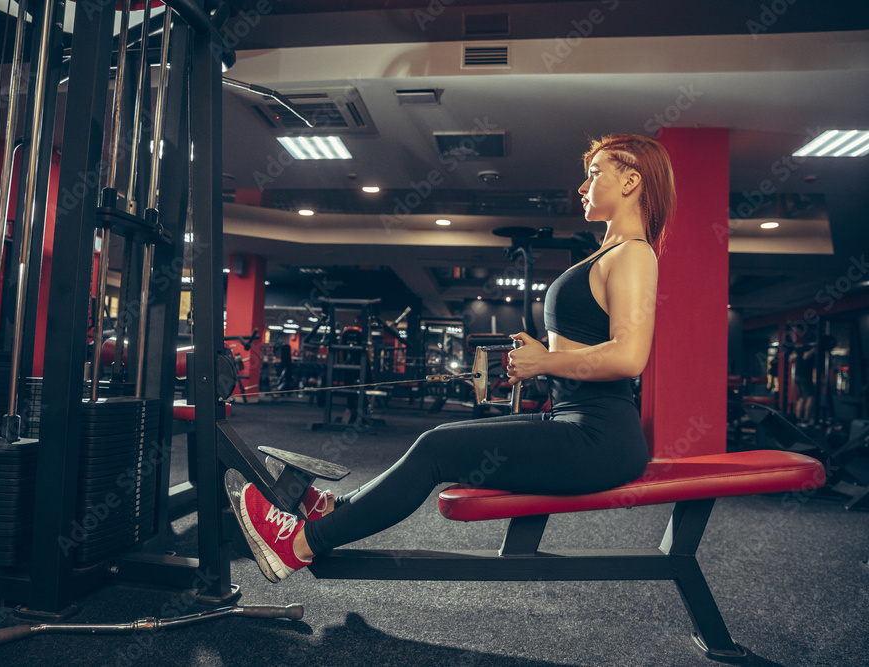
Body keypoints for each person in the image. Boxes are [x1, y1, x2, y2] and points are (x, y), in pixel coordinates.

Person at [228, 134, 676, 583]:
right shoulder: (609, 253)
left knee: (436, 451)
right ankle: (335, 510)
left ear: (630, 181)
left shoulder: (634, 254)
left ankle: (298, 546)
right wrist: (537, 360)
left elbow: (629, 357)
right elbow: (584, 348)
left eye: (594, 174)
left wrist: (544, 363)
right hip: (571, 419)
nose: (582, 187)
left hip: (600, 440)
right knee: (439, 435)